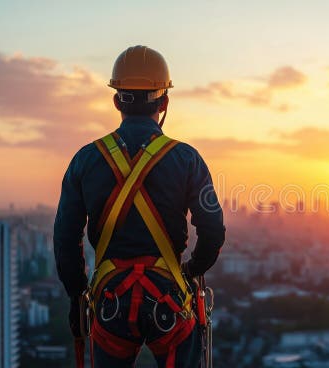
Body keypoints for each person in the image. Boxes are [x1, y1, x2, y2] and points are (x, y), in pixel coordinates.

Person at [53, 45, 225, 368]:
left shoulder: (85, 160)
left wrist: (77, 295)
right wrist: (191, 270)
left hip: (110, 304)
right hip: (169, 303)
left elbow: (65, 237)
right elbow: (214, 230)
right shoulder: (187, 160)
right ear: (164, 103)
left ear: (117, 100)